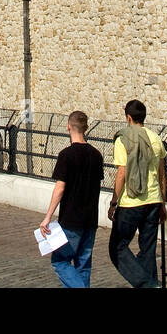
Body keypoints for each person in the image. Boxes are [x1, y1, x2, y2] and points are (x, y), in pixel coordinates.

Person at [39, 110, 104, 288]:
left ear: (68, 127)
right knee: (83, 266)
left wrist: (47, 217)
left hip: (71, 219)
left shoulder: (66, 155)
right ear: (86, 128)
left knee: (60, 261)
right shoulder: (96, 155)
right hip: (90, 219)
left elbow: (60, 188)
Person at [107, 99, 167, 288]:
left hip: (131, 202)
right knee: (148, 249)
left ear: (128, 117)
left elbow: (122, 173)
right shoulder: (155, 139)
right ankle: (151, 283)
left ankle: (148, 285)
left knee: (117, 247)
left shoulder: (123, 139)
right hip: (153, 200)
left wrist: (114, 202)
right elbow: (162, 175)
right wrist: (163, 204)